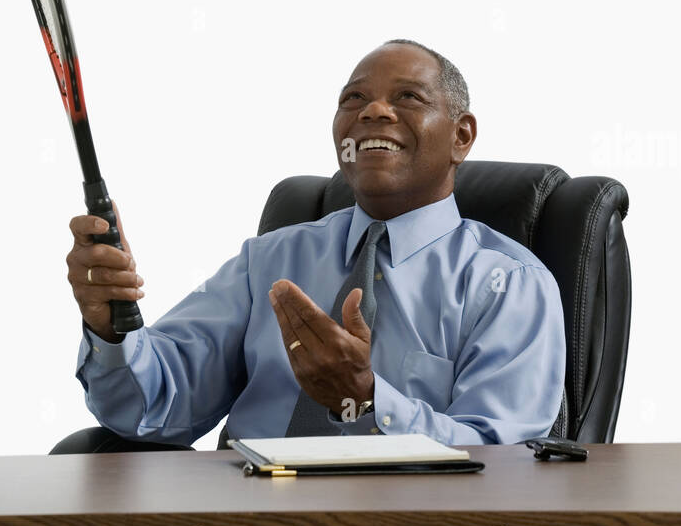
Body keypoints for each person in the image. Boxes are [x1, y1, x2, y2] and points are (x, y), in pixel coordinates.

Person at [62, 39, 566, 451]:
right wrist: (111, 328)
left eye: (408, 97)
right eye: (352, 99)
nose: (373, 111)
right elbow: (151, 407)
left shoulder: (509, 284)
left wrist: (367, 402)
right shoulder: (268, 261)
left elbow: (504, 466)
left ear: (462, 135)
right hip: (243, 522)